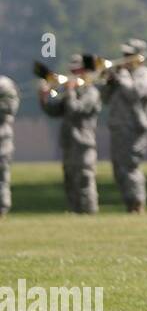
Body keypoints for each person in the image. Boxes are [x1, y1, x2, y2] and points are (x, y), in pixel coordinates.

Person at [38, 57, 100, 214]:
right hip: (69, 143)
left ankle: (89, 211)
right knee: (70, 179)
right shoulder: (70, 93)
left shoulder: (91, 92)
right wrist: (43, 98)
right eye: (71, 71)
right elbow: (55, 111)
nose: (72, 74)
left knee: (85, 179)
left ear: (84, 71)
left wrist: (70, 91)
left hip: (84, 143)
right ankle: (74, 211)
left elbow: (76, 110)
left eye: (76, 71)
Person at [102, 38, 147, 213]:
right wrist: (109, 82)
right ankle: (129, 204)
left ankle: (138, 204)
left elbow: (135, 93)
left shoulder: (144, 73)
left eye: (129, 55)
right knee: (119, 168)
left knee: (131, 166)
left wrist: (123, 76)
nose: (125, 58)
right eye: (124, 54)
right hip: (118, 127)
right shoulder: (121, 75)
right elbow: (105, 99)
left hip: (134, 127)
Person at [0, 73, 18, 217]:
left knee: (1, 178)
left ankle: (2, 210)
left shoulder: (5, 84)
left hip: (2, 142)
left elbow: (10, 108)